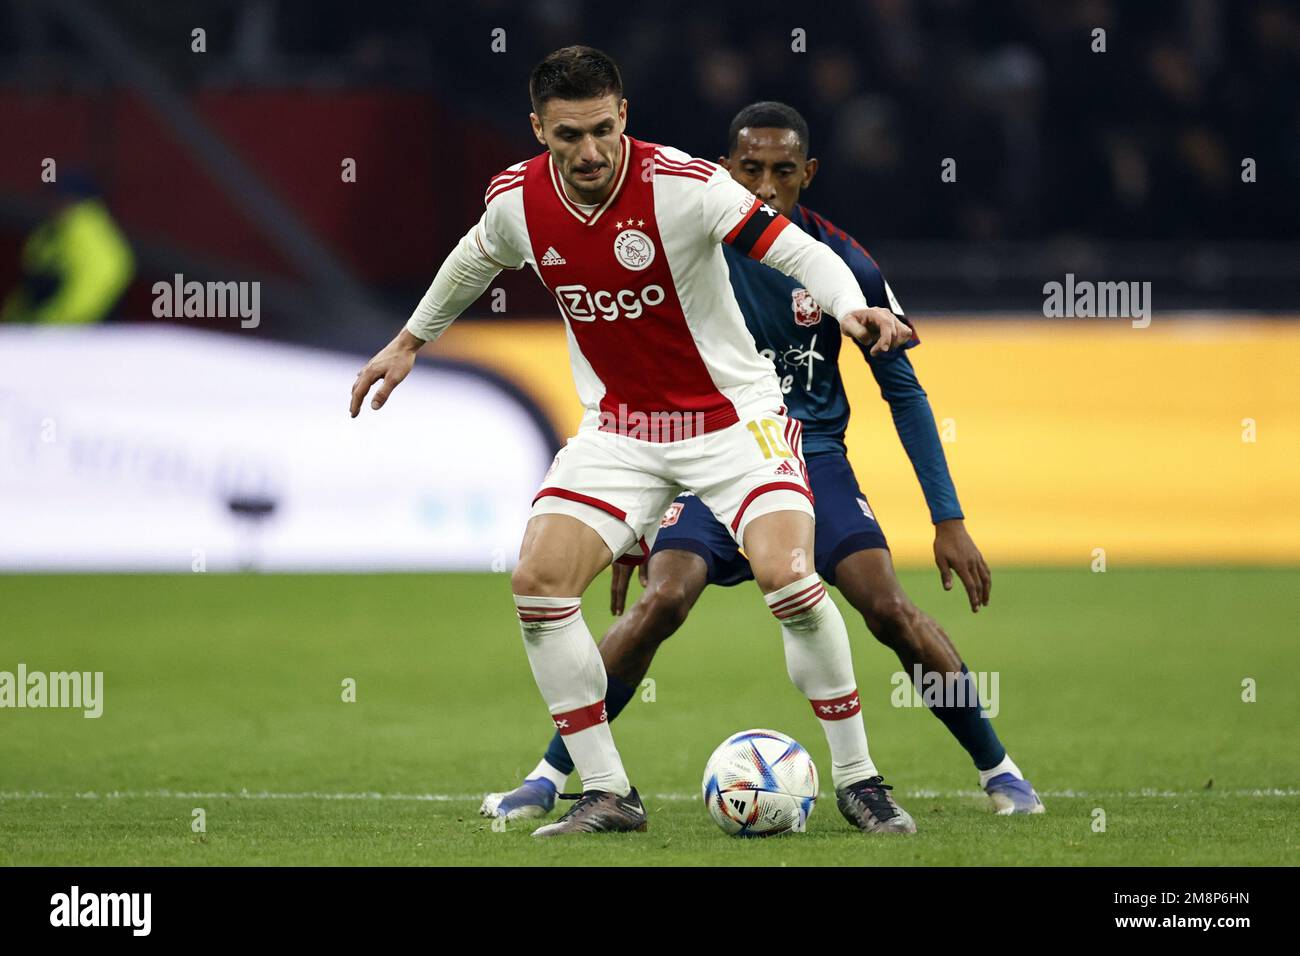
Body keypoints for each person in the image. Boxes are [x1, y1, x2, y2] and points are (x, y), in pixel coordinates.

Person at [351, 49, 918, 836]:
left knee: (788, 576)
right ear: (538, 129)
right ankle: (609, 792)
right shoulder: (517, 200)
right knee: (539, 583)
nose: (588, 152)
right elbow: (474, 258)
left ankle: (860, 778)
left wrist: (851, 308)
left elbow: (795, 249)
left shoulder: (685, 186)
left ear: (625, 116)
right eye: (568, 136)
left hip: (734, 422)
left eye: (603, 130)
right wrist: (410, 340)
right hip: (622, 431)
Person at [480, 102, 1044, 824]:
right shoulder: (683, 244)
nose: (766, 187)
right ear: (725, 171)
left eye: (783, 172)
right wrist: (635, 522)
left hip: (813, 457)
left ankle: (996, 766)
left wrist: (948, 518)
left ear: (807, 175)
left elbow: (903, 390)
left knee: (888, 607)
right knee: (662, 600)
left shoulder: (844, 265)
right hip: (705, 450)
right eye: (750, 171)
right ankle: (557, 774)